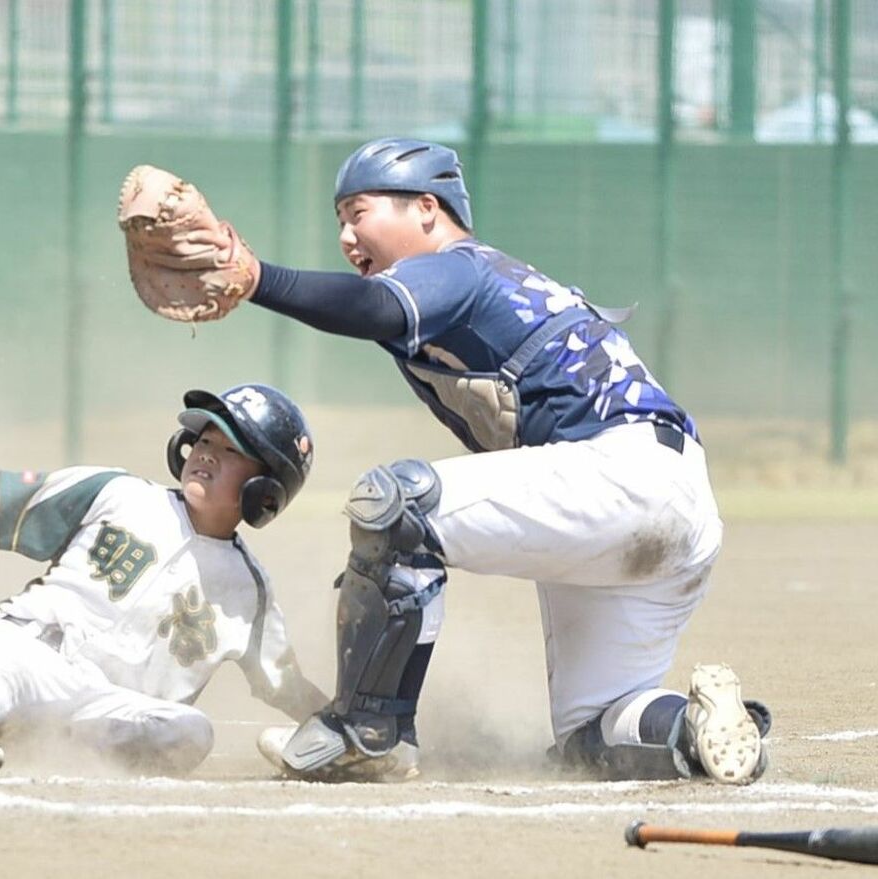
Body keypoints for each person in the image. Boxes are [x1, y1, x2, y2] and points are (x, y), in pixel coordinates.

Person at [226, 137, 769, 784]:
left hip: (620, 475)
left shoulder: (457, 267)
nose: (345, 236)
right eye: (339, 219)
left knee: (396, 505)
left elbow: (372, 308)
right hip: (672, 505)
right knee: (593, 733)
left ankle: (366, 734)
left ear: (427, 208)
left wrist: (256, 278)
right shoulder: (475, 278)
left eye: (359, 212)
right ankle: (697, 727)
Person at [0, 383, 327, 775]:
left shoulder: (248, 590)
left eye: (232, 449)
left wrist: (347, 732)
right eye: (203, 439)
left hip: (103, 707)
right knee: (4, 666)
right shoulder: (121, 494)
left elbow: (286, 684)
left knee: (191, 731)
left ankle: (34, 745)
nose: (206, 453)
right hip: (38, 647)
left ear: (265, 491)